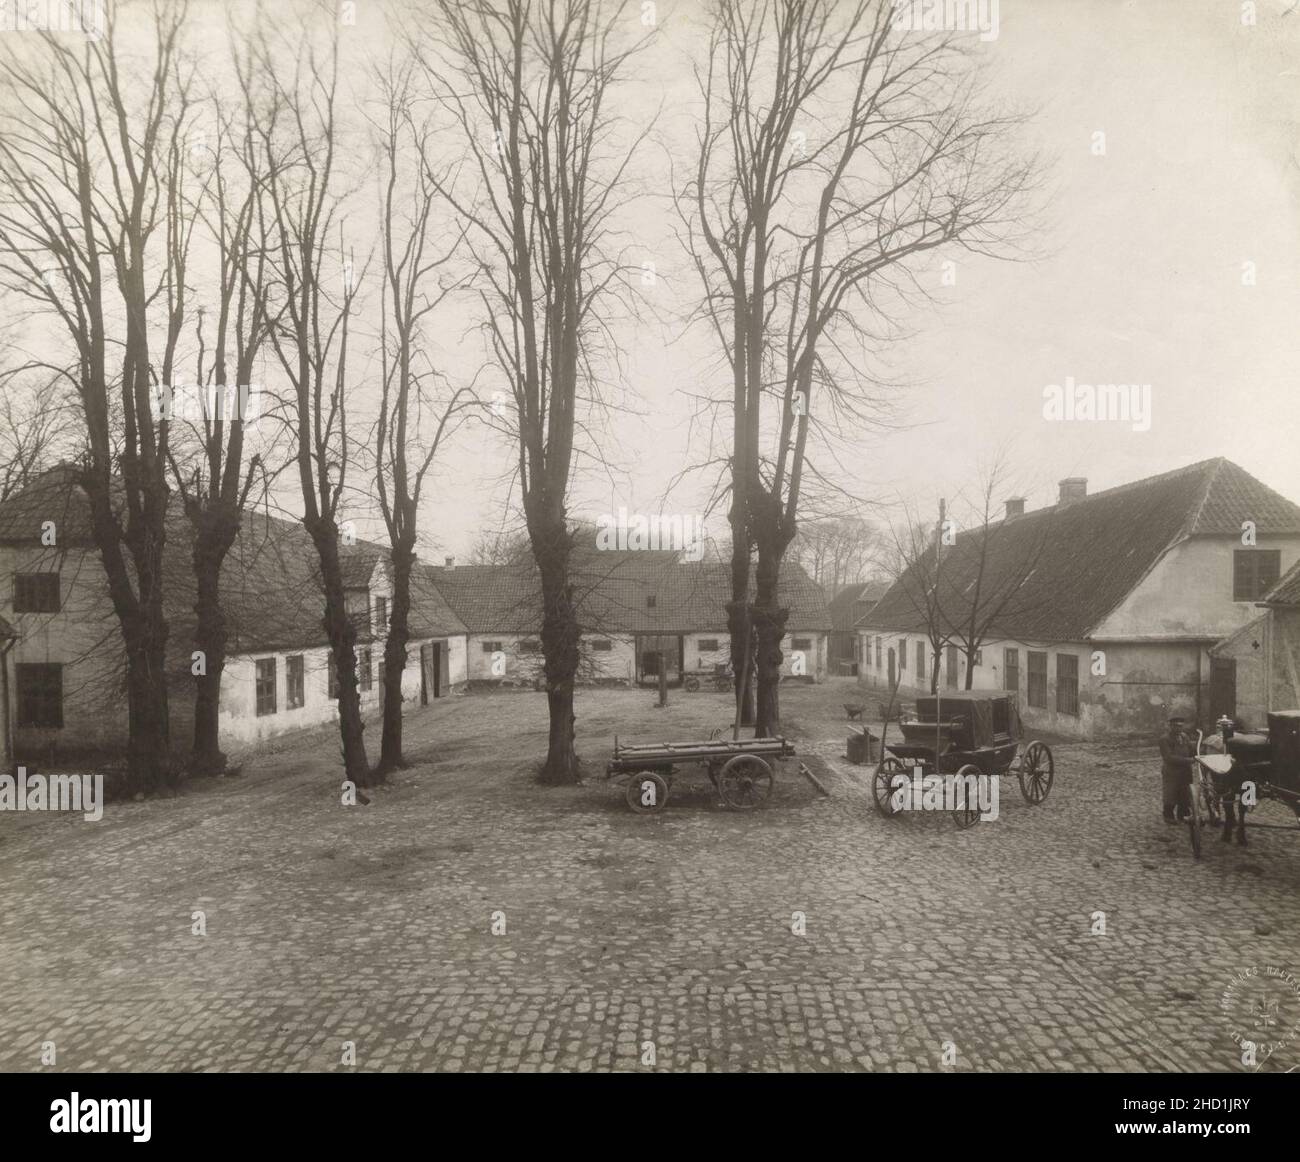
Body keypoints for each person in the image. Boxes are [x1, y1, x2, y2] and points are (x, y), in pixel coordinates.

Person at [1158, 717, 1193, 824]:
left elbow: (1191, 750)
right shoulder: (1165, 739)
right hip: (1171, 771)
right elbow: (1168, 757)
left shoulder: (1185, 737)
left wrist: (1199, 753)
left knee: (1185, 793)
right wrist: (1188, 760)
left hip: (1185, 771)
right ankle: (1168, 815)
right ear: (1171, 726)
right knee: (1170, 793)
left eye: (1180, 726)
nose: (1179, 728)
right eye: (1176, 726)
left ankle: (1183, 814)